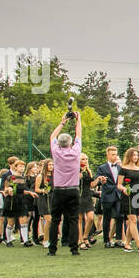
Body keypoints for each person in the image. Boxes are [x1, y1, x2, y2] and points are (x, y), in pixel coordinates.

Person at [48, 109, 83, 256]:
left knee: (55, 220)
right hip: (73, 189)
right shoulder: (75, 151)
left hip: (59, 190)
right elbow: (79, 134)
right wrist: (78, 119)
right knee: (74, 219)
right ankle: (74, 249)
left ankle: (52, 249)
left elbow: (52, 136)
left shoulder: (56, 152)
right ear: (70, 143)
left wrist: (62, 122)